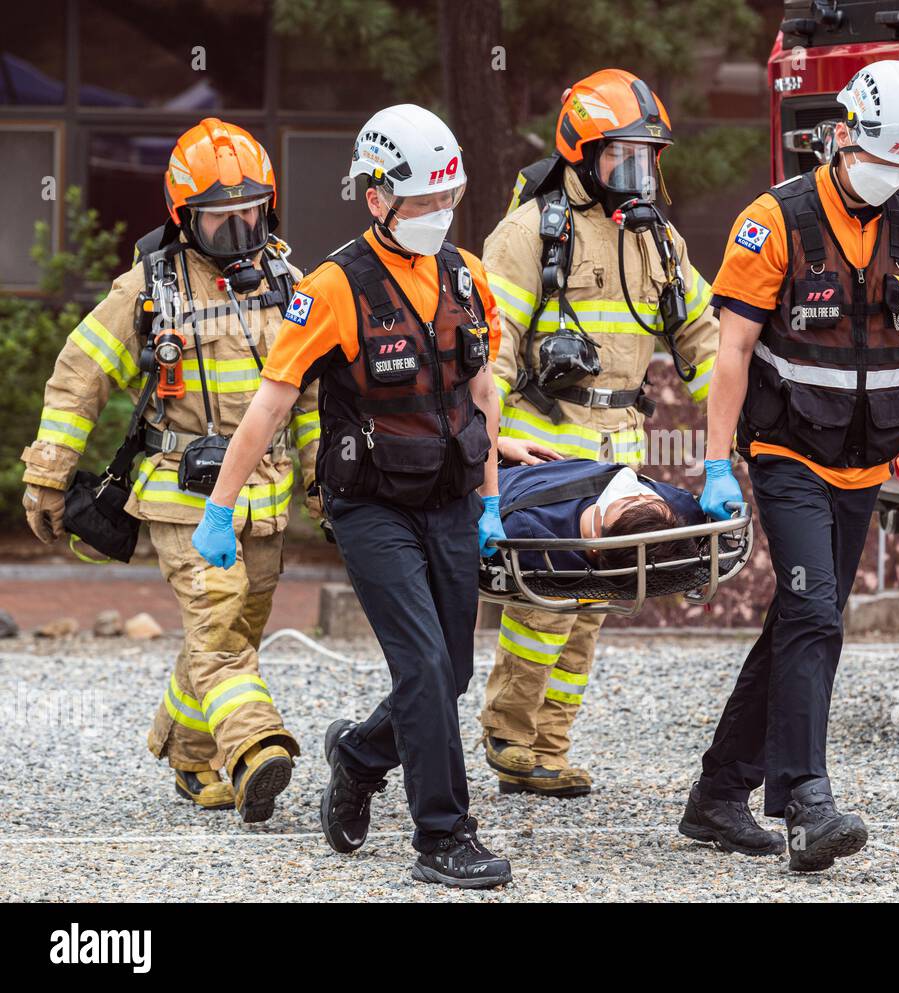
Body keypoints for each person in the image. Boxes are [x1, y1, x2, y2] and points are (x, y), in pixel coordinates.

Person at [679, 60, 899, 872]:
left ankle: (718, 794)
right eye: (883, 159)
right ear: (841, 137)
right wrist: (714, 462)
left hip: (863, 460)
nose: (894, 177)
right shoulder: (776, 220)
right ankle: (806, 799)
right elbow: (731, 346)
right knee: (818, 616)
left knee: (801, 618)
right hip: (789, 450)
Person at [190, 105, 512, 888]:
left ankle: (360, 754)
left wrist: (494, 495)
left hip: (451, 498)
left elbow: (481, 389)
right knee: (426, 665)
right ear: (376, 198)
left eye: (449, 199)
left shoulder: (465, 276)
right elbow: (269, 405)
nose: (439, 215)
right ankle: (443, 834)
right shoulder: (333, 288)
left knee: (454, 673)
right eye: (423, 202)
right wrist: (220, 507)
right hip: (371, 506)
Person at [20, 118, 318, 822]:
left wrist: (321, 482)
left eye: (251, 212)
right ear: (184, 218)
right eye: (220, 219)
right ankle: (255, 748)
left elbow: (312, 398)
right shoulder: (147, 291)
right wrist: (47, 471)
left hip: (265, 499)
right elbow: (78, 376)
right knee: (218, 623)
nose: (240, 229)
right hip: (183, 499)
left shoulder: (289, 282)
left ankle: (188, 754)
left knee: (230, 633)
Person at [478, 68, 719, 798]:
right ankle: (508, 733)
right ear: (581, 153)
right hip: (546, 448)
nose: (640, 172)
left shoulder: (658, 241)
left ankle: (548, 748)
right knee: (544, 604)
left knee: (594, 608)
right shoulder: (527, 235)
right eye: (624, 154)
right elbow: (491, 350)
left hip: (620, 449)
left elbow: (704, 339)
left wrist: (734, 439)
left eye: (649, 155)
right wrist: (486, 450)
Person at [494, 456, 705, 574]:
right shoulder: (678, 510)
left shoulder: (528, 529)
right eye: (647, 496)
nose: (636, 490)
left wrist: (498, 446)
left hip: (488, 474)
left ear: (597, 543)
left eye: (627, 501)